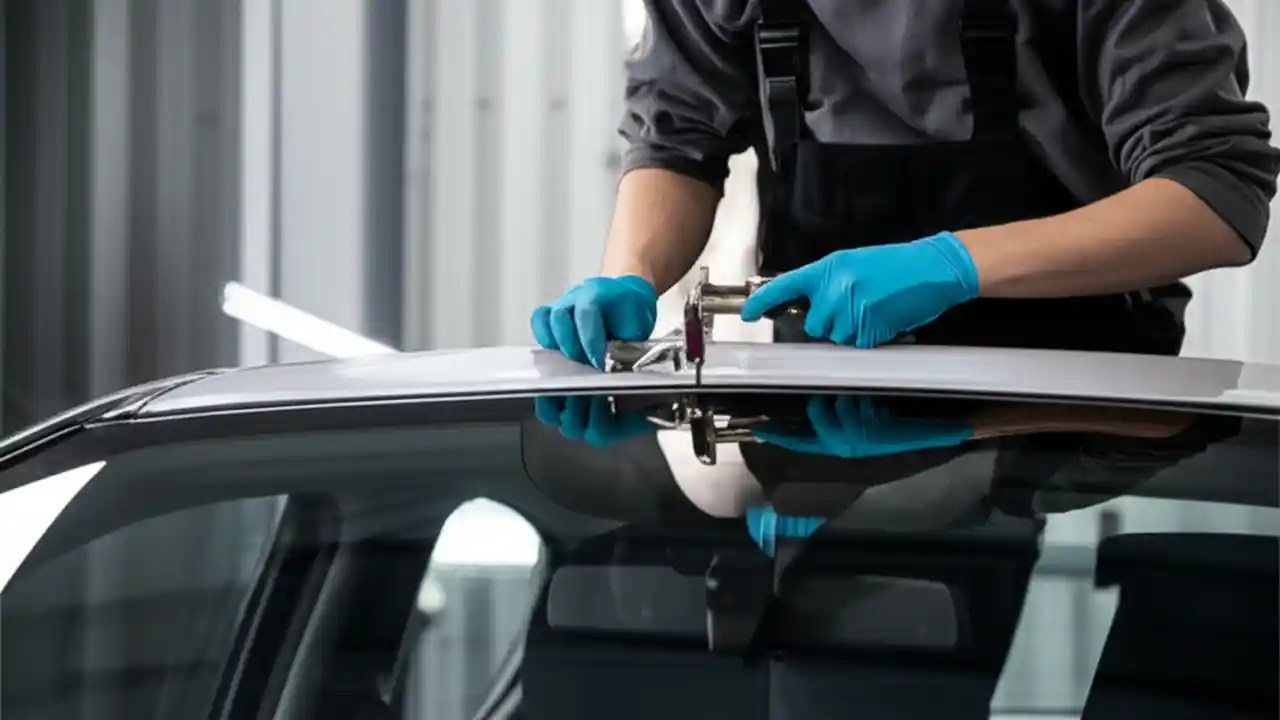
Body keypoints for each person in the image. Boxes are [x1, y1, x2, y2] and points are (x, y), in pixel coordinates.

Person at [531, 0, 1280, 370]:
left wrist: (949, 266)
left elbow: (1216, 192)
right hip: (826, 410)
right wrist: (630, 279)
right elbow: (677, 136)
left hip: (1067, 408)